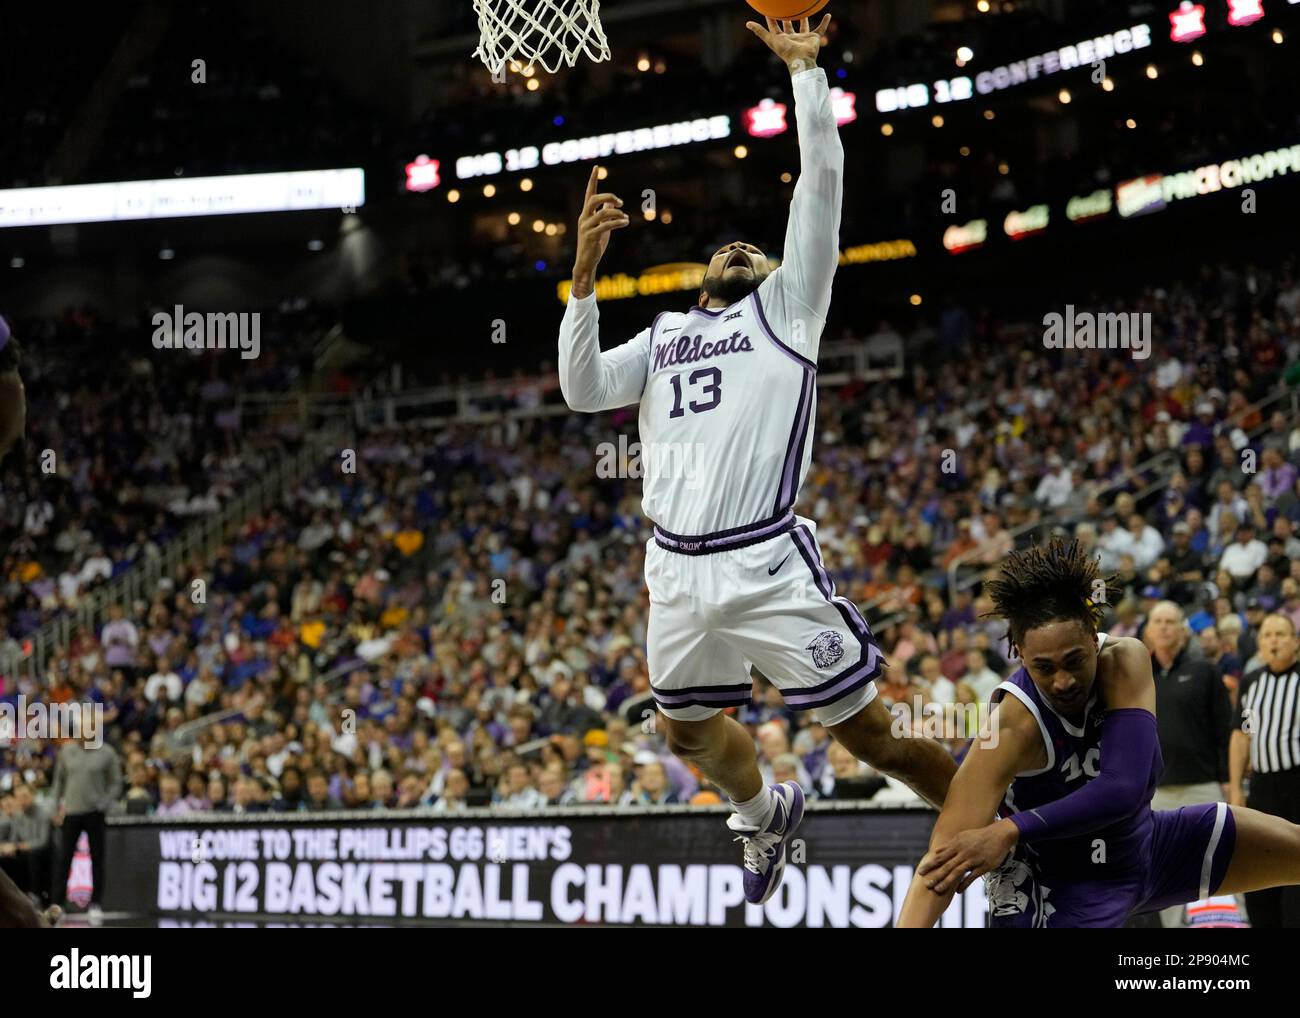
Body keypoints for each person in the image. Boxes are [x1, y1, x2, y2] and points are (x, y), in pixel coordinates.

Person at [556, 13, 955, 906]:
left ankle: (999, 825)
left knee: (874, 738)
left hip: (763, 560)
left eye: (757, 246)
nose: (742, 245)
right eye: (726, 248)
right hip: (674, 569)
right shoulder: (661, 335)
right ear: (701, 280)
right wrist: (582, 273)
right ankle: (763, 809)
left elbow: (820, 184)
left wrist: (807, 76)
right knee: (685, 732)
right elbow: (581, 388)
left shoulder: (789, 309)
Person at [898, 540, 1300, 928]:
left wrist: (1009, 829)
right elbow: (940, 862)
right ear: (1019, 653)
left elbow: (1123, 788)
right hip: (1066, 887)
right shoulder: (1011, 726)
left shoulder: (1126, 659)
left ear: (1094, 635)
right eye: (1045, 667)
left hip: (1147, 846)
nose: (1063, 681)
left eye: (1075, 660)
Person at [1143, 600, 1238, 926]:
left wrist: (1227, 778)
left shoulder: (1205, 671)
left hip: (1204, 785)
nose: (1165, 627)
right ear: (1149, 631)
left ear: (1184, 630)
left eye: (1171, 621)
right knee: (1164, 873)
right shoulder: (1138, 678)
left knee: (1223, 863)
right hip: (1158, 792)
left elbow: (1225, 728)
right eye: (1159, 621)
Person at [1229, 613, 1300, 926]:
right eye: (1268, 635)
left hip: (1297, 784)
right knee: (1259, 870)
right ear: (1259, 644)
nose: (1273, 640)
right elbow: (1243, 735)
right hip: (1262, 788)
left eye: (1281, 634)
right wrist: (1235, 789)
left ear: (1295, 642)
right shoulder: (1252, 683)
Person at [51, 716, 122, 922]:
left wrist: (104, 803)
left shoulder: (107, 753)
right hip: (71, 812)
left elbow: (116, 783)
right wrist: (55, 808)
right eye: (84, 729)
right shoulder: (67, 751)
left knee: (97, 859)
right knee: (64, 859)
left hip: (95, 813)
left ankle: (96, 903)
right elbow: (58, 782)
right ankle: (57, 904)